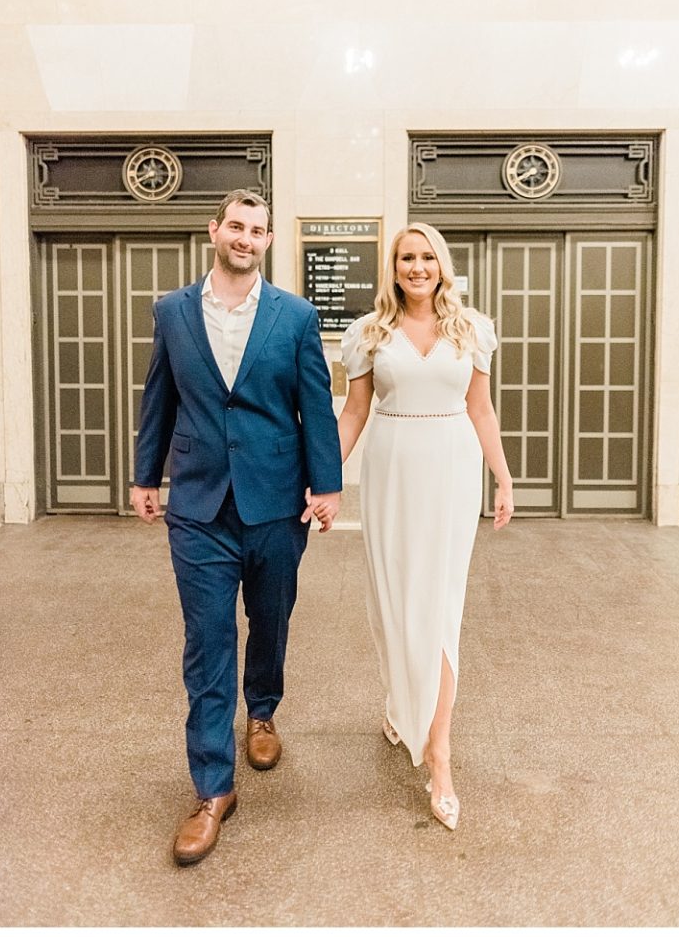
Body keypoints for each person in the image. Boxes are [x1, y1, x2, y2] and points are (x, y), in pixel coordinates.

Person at [131, 189, 343, 866]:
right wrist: (145, 475)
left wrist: (328, 484)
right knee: (207, 639)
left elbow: (315, 403)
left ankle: (264, 708)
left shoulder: (295, 316)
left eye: (258, 229)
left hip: (277, 500)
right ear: (214, 230)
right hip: (198, 505)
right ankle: (212, 788)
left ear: (268, 240)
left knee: (271, 616)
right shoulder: (172, 311)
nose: (246, 237)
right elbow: (158, 395)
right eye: (237, 226)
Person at [336, 223, 513, 831]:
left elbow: (480, 409)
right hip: (391, 467)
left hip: (453, 470)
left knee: (438, 607)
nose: (417, 266)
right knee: (393, 604)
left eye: (427, 257)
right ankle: (397, 703)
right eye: (407, 257)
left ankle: (439, 755)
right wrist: (324, 479)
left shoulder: (473, 329)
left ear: (443, 265)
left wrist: (504, 478)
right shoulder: (369, 333)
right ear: (394, 266)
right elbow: (354, 411)